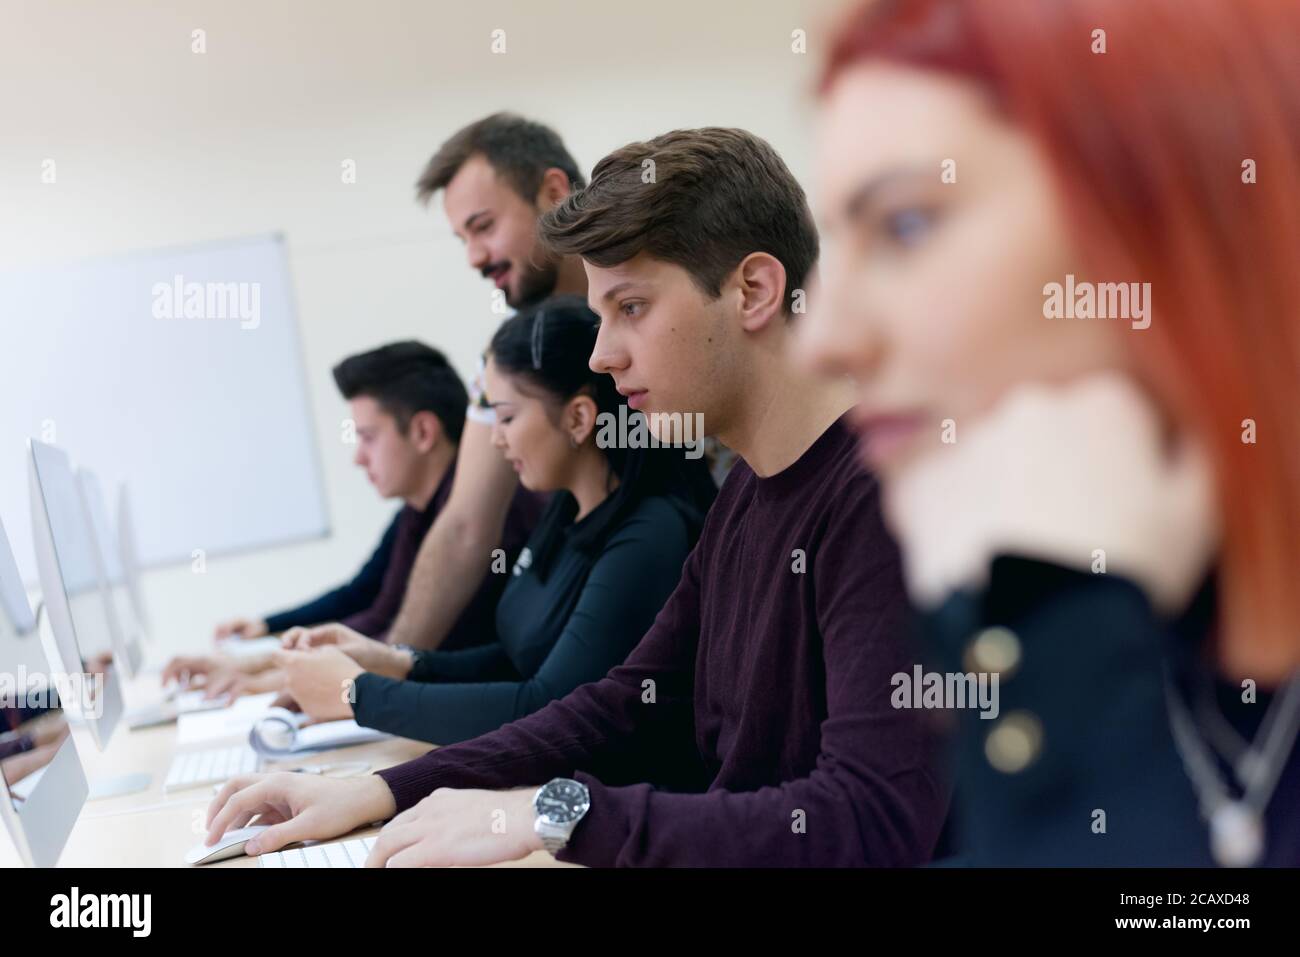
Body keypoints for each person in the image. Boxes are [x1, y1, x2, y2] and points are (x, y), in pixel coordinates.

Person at [204, 126, 949, 868]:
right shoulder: (747, 493)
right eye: (600, 317)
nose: (602, 355)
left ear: (753, 289)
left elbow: (869, 818)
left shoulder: (885, 502)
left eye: (631, 307)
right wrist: (383, 788)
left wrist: (554, 813)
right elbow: (622, 702)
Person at [797, 0, 1300, 865]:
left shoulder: (1050, 605)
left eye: (907, 224)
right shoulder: (1085, 593)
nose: (824, 341)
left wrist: (1054, 631)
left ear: (1178, 223)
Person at [274, 298, 716, 745]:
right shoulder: (564, 513)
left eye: (506, 417)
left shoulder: (648, 534)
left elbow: (547, 707)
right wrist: (395, 661)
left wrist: (358, 694)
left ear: (579, 418)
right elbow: (517, 659)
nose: (496, 440)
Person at [163, 341, 540, 696]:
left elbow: (396, 644)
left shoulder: (486, 514)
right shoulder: (416, 512)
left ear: (424, 432)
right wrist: (257, 661)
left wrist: (265, 677)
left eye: (368, 437)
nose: (358, 458)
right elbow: (367, 604)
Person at [381, 114, 592, 652]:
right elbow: (463, 529)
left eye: (484, 226)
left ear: (553, 192)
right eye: (463, 239)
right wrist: (384, 668)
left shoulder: (662, 304)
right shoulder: (502, 359)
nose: (475, 257)